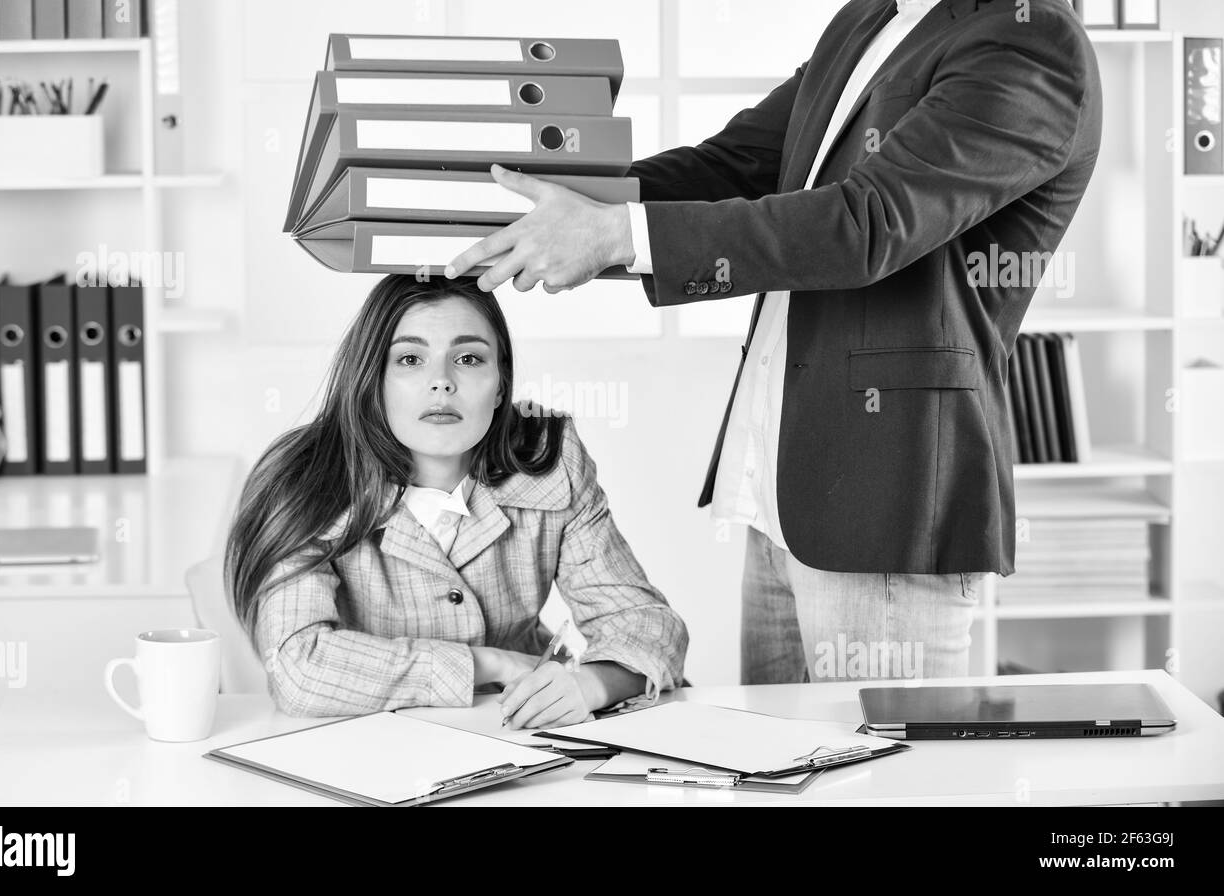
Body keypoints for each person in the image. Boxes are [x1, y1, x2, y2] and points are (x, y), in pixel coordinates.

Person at [445, 0, 1101, 684]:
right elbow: (735, 167)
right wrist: (560, 205)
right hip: (783, 491)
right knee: (785, 775)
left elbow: (869, 224)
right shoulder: (869, 20)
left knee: (882, 785)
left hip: (887, 510)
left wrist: (618, 236)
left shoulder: (1029, 41)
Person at [224, 274, 687, 726]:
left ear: (501, 384)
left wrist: (592, 684)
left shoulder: (549, 457)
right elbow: (299, 670)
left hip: (519, 737)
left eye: (468, 358)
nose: (441, 382)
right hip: (365, 745)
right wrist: (488, 665)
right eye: (409, 360)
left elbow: (646, 624)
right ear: (372, 379)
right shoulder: (312, 475)